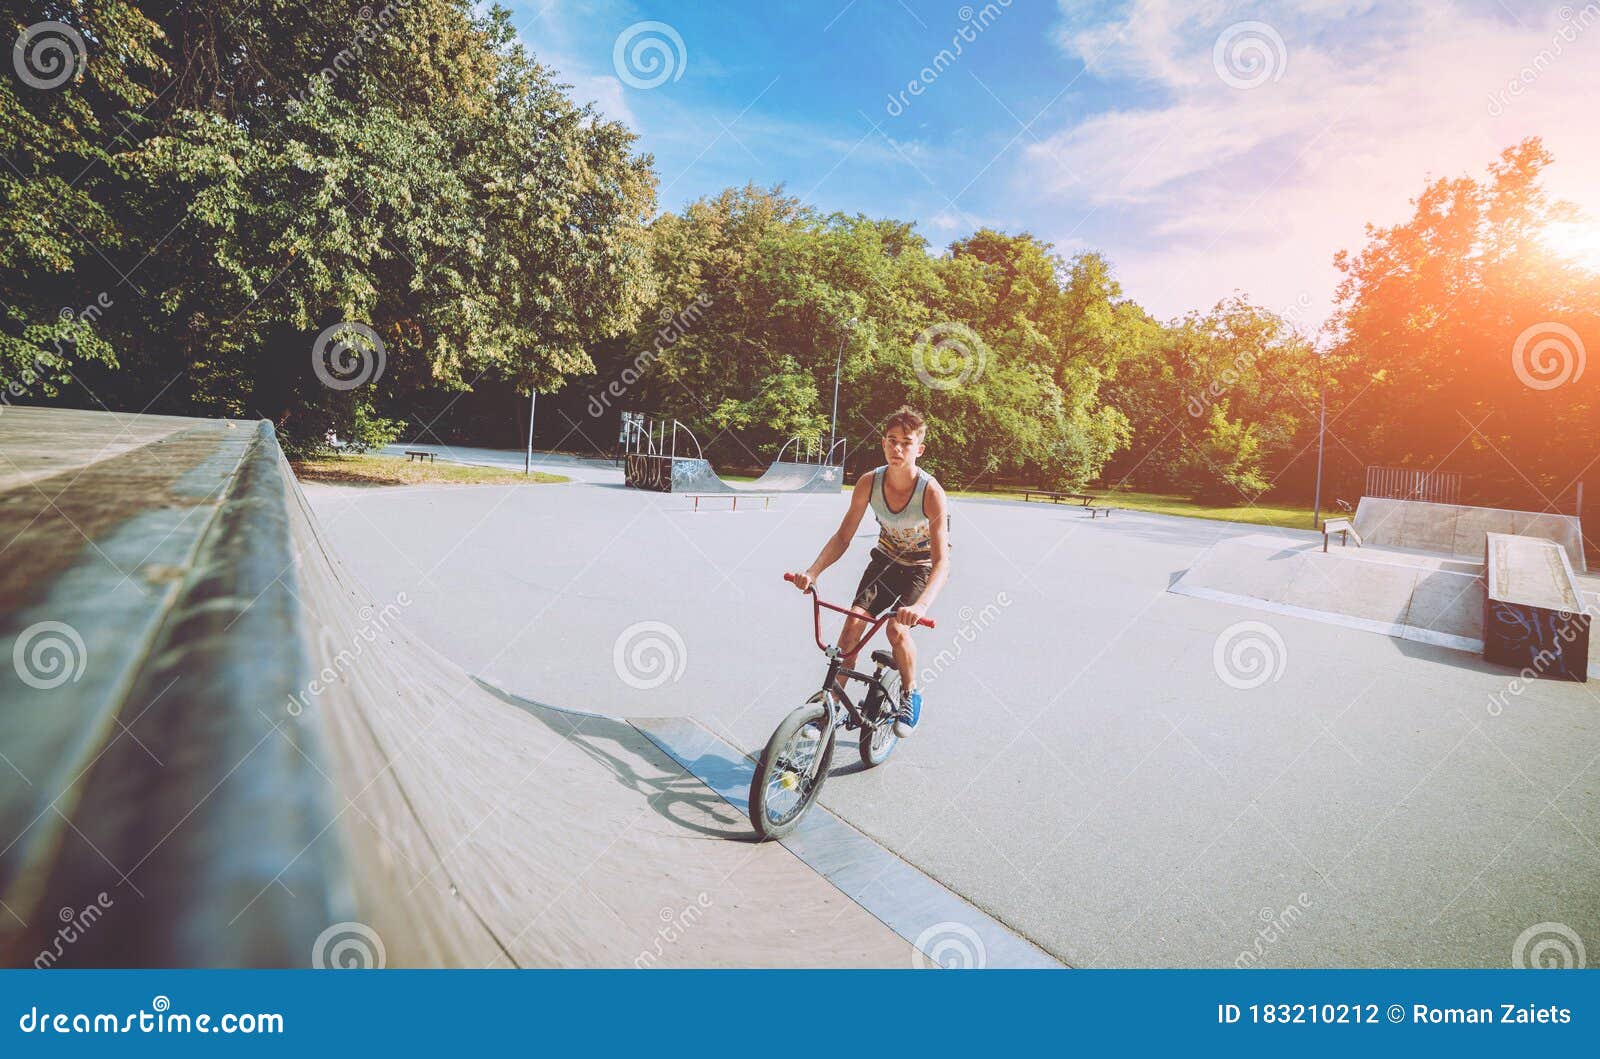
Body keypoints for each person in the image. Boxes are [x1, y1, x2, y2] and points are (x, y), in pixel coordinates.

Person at [787, 406, 948, 736]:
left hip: (919, 567)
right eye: (891, 441)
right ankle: (830, 705)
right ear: (883, 443)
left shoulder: (930, 492)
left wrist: (920, 608)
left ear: (920, 449)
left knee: (896, 631)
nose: (897, 448)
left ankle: (910, 692)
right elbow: (844, 535)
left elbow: (943, 560)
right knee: (852, 625)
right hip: (885, 562)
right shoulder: (868, 483)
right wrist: (813, 571)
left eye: (906, 442)